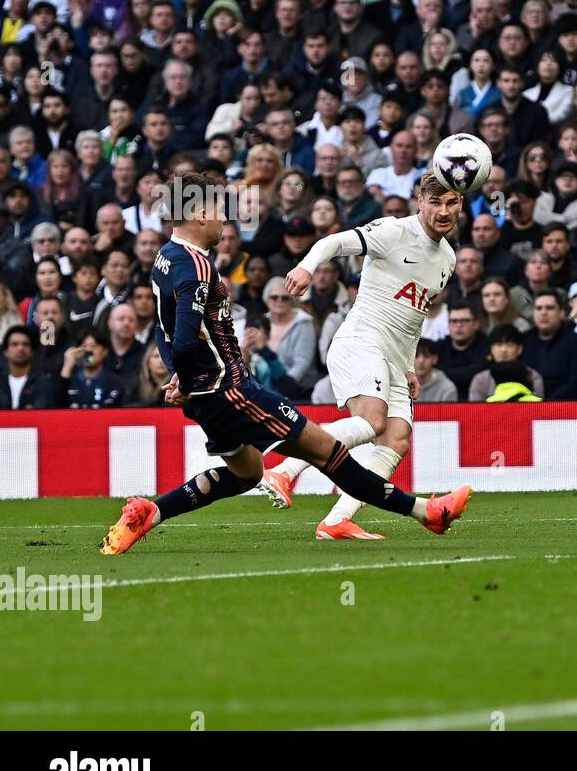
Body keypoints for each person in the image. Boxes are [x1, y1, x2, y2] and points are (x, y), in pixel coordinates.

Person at [99, 172, 470, 556]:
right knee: (329, 454)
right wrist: (188, 377)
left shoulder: (165, 257)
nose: (226, 221)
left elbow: (164, 329)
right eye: (221, 212)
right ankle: (426, 511)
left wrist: (183, 378)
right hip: (232, 391)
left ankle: (151, 512)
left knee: (246, 473)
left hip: (208, 398)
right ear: (201, 214)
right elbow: (182, 339)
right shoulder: (197, 269)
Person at [260, 172, 462, 539]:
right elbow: (335, 241)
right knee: (373, 421)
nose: (443, 211)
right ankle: (284, 471)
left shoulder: (447, 259)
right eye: (435, 202)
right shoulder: (394, 231)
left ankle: (337, 520)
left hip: (395, 357)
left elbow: (413, 320)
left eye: (451, 203)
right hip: (361, 339)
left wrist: (408, 366)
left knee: (396, 438)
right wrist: (307, 266)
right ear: (420, 202)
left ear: (460, 205)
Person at [469, 323, 544, 402]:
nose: (504, 350)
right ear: (491, 349)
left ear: (519, 349)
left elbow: (538, 410)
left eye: (509, 345)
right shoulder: (480, 379)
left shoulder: (532, 376)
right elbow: (475, 411)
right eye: (499, 345)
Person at [0, 324, 57, 408]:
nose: (20, 348)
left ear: (32, 351)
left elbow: (40, 412)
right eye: (14, 344)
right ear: (5, 352)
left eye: (25, 344)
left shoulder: (43, 381)